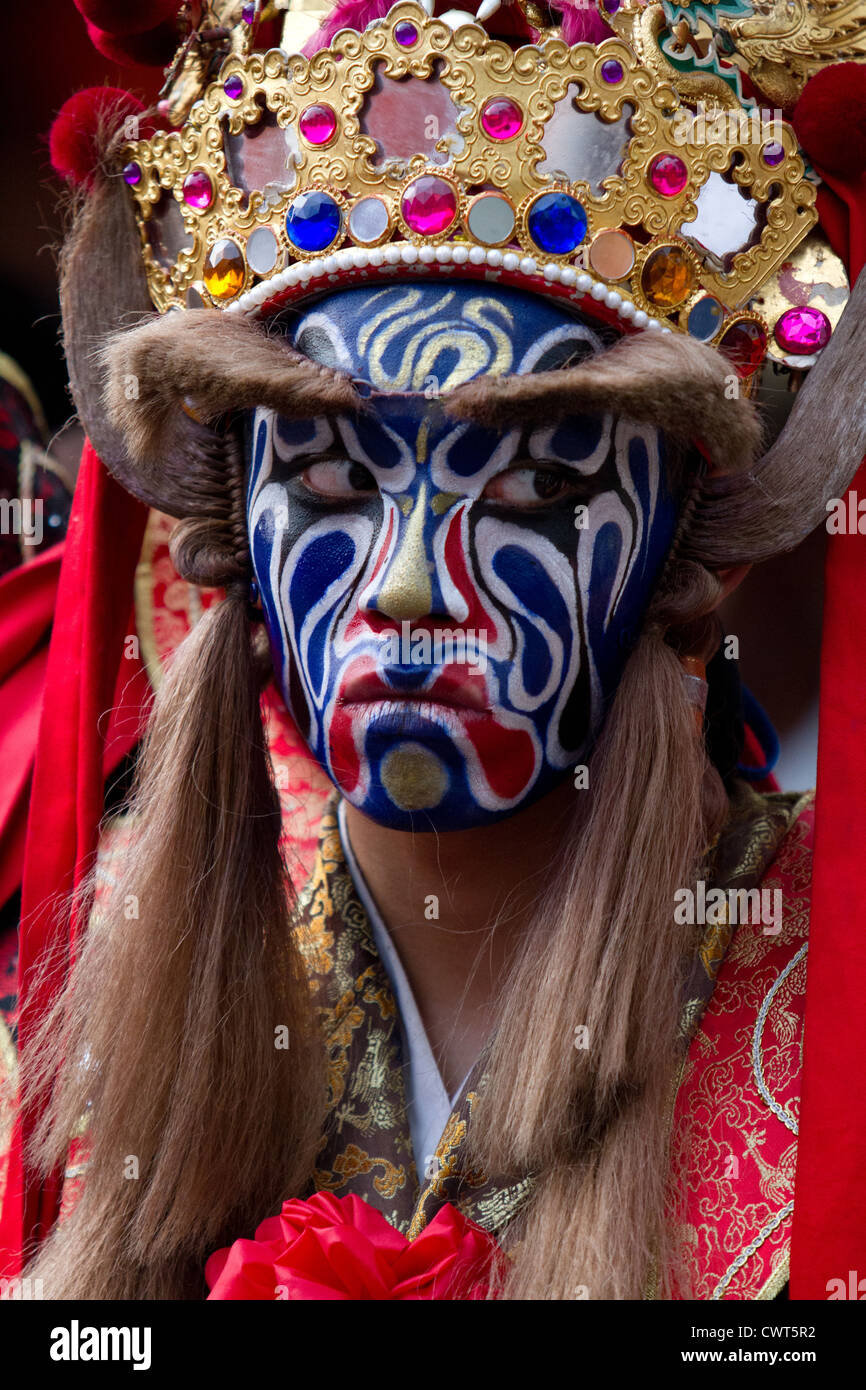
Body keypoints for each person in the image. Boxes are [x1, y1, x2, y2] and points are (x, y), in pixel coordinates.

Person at [3, 0, 866, 1301]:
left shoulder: (834, 992)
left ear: (691, 543)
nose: (408, 584)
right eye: (332, 473)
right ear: (228, 518)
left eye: (538, 480)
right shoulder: (81, 992)